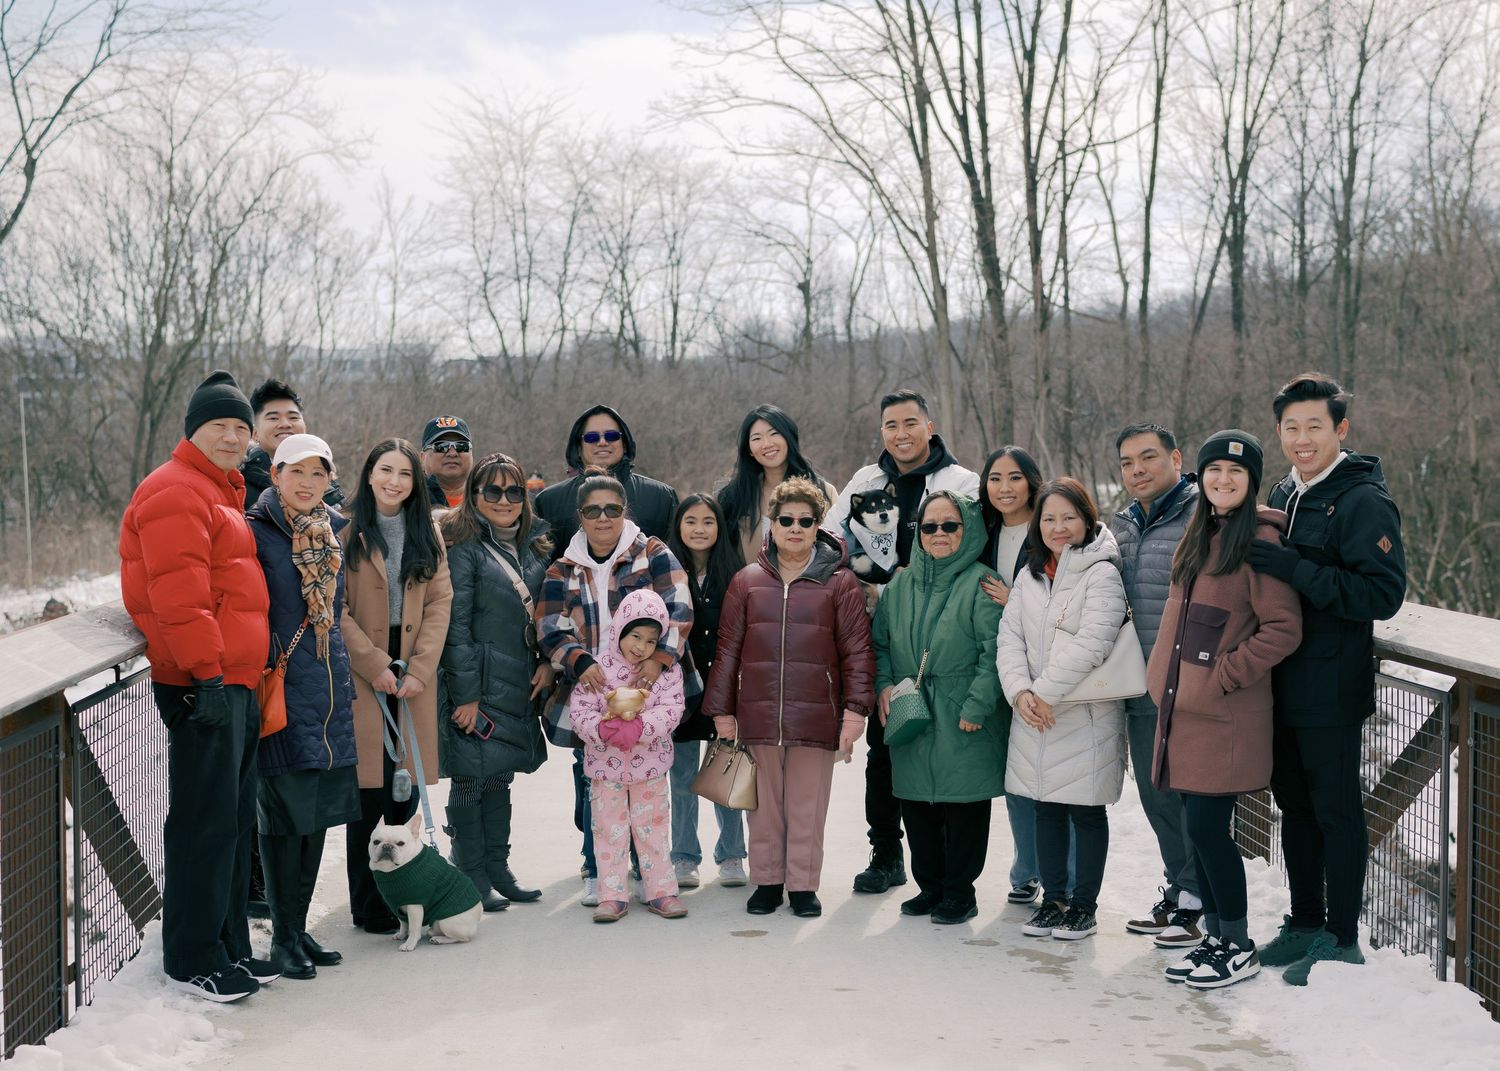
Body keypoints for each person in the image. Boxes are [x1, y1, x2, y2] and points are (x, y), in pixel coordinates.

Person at [120, 369, 273, 1002]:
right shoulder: (175, 491)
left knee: (235, 823)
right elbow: (178, 596)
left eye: (243, 427)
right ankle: (193, 958)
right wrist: (207, 675)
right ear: (194, 431)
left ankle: (229, 944)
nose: (235, 438)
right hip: (200, 683)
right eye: (222, 427)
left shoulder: (218, 492)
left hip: (232, 680)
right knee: (204, 826)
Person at [1250, 373, 1406, 986]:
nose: (1302, 438)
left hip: (1332, 684)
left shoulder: (1362, 499)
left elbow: (1382, 593)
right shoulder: (1284, 490)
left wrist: (1296, 567)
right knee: (1294, 806)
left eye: (1315, 426)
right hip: (1280, 680)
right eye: (1291, 427)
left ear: (1340, 429)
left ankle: (1342, 937)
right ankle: (1305, 922)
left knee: (1336, 811)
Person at [1148, 430, 1302, 990]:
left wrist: (1225, 675)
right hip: (1183, 712)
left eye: (1235, 474)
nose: (1223, 480)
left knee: (1211, 831)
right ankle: (1215, 937)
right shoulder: (1200, 533)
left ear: (1251, 482)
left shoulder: (1260, 543)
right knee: (1199, 827)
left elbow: (1284, 628)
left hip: (1225, 716)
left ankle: (1237, 945)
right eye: (1214, 471)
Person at [827, 388, 979, 896]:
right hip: (888, 625)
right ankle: (887, 853)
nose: (901, 433)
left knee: (944, 748)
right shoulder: (865, 483)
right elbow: (829, 542)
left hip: (949, 628)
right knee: (888, 744)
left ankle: (944, 873)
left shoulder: (961, 483)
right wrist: (853, 584)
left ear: (929, 426)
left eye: (910, 422)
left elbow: (982, 542)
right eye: (891, 425)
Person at [704, 478, 874, 919]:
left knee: (807, 806)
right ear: (772, 526)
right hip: (756, 716)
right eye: (786, 520)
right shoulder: (747, 582)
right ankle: (767, 882)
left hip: (817, 717)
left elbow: (857, 651)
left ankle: (802, 886)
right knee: (762, 809)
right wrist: (722, 712)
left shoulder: (840, 583)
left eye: (805, 520)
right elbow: (727, 651)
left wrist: (855, 714)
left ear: (818, 525)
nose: (795, 528)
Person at [536, 469, 693, 908]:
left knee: (650, 807)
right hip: (593, 684)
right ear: (580, 516)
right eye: (592, 511)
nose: (603, 518)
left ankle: (654, 879)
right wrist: (578, 660)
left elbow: (679, 606)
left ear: (625, 511)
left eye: (612, 509)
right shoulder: (564, 567)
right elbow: (549, 625)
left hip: (648, 682)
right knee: (595, 794)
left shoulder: (652, 553)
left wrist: (660, 658)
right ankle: (601, 875)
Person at [246, 434, 361, 980]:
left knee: (316, 818)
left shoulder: (331, 532)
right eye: (298, 472)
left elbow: (334, 614)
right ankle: (282, 937)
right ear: (276, 475)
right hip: (283, 688)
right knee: (284, 817)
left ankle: (298, 927)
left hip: (329, 686)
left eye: (319, 473)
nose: (308, 483)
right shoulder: (256, 531)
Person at [998, 477, 1128, 942]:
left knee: (1086, 811)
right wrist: (1021, 693)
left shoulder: (1102, 572)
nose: (1059, 527)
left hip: (1085, 712)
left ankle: (1083, 906)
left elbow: (1095, 643)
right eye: (1049, 518)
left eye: (1068, 517)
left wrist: (1044, 692)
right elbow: (1008, 638)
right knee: (1044, 808)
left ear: (1087, 519)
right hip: (1034, 711)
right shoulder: (1030, 574)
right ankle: (1052, 901)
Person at [873, 492, 1008, 924]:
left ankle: (960, 891)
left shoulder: (981, 582)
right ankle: (929, 886)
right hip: (911, 708)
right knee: (916, 803)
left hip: (960, 707)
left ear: (967, 530)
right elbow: (880, 645)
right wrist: (884, 687)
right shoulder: (899, 585)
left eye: (950, 525)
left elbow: (995, 651)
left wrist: (978, 704)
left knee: (963, 805)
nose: (939, 534)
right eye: (929, 526)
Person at [338, 439, 453, 934]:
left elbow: (438, 605)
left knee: (403, 792)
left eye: (405, 474)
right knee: (369, 791)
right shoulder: (344, 533)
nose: (395, 481)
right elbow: (334, 610)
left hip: (412, 671)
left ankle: (404, 901)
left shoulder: (427, 534)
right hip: (364, 669)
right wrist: (374, 663)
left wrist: (419, 670)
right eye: (386, 470)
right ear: (368, 475)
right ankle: (367, 905)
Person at [439, 453, 554, 911]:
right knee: (470, 778)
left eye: (513, 491)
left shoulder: (532, 547)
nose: (504, 500)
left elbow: (548, 614)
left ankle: (497, 867)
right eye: (493, 491)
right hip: (479, 685)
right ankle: (470, 875)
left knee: (499, 777)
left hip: (518, 680)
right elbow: (455, 626)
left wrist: (549, 661)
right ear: (474, 496)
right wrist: (464, 695)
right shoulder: (464, 549)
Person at [1109, 423, 1204, 948]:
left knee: (1196, 799)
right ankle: (1184, 891)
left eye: (1148, 457)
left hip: (1191, 684)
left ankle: (1204, 899)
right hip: (1141, 683)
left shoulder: (1201, 514)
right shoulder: (1122, 525)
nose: (1138, 469)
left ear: (1175, 457)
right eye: (1127, 462)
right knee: (1156, 795)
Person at [569, 590, 689, 922]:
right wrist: (602, 729)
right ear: (620, 629)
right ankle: (612, 894)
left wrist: (642, 727)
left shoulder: (663, 672)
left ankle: (661, 890)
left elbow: (672, 708)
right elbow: (579, 711)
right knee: (609, 830)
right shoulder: (598, 669)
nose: (641, 646)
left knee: (652, 828)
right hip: (604, 770)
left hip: (650, 768)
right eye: (635, 635)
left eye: (651, 641)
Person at [976, 445, 1053, 906]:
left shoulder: (1050, 528)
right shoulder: (981, 532)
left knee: (1047, 776)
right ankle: (1027, 869)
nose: (1005, 488)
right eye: (995, 478)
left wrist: (1015, 600)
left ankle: (1057, 874)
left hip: (1043, 667)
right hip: (995, 664)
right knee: (1015, 777)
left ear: (1031, 481)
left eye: (1014, 477)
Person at [665, 494, 749, 889]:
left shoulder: (736, 574)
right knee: (681, 779)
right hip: (679, 691)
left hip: (725, 692)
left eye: (708, 522)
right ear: (678, 527)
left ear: (720, 528)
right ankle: (683, 857)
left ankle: (732, 855)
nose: (699, 529)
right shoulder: (665, 572)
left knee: (726, 776)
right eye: (691, 521)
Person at [533, 404, 678, 556]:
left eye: (612, 436)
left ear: (625, 443)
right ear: (579, 448)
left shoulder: (661, 497)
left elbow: (679, 559)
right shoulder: (549, 501)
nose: (602, 442)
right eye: (591, 437)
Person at [716, 404, 837, 564]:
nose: (767, 444)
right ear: (749, 449)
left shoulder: (823, 492)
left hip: (814, 586)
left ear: (788, 438)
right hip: (751, 587)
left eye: (774, 434)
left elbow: (839, 547)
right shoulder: (733, 498)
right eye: (757, 438)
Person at [241, 379, 344, 510]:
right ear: (254, 433)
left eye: (293, 417)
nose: (285, 424)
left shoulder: (326, 479)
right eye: (273, 418)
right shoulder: (240, 484)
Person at [420, 415, 475, 512]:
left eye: (462, 446)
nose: (452, 453)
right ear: (423, 458)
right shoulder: (409, 500)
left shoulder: (490, 498)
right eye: (441, 446)